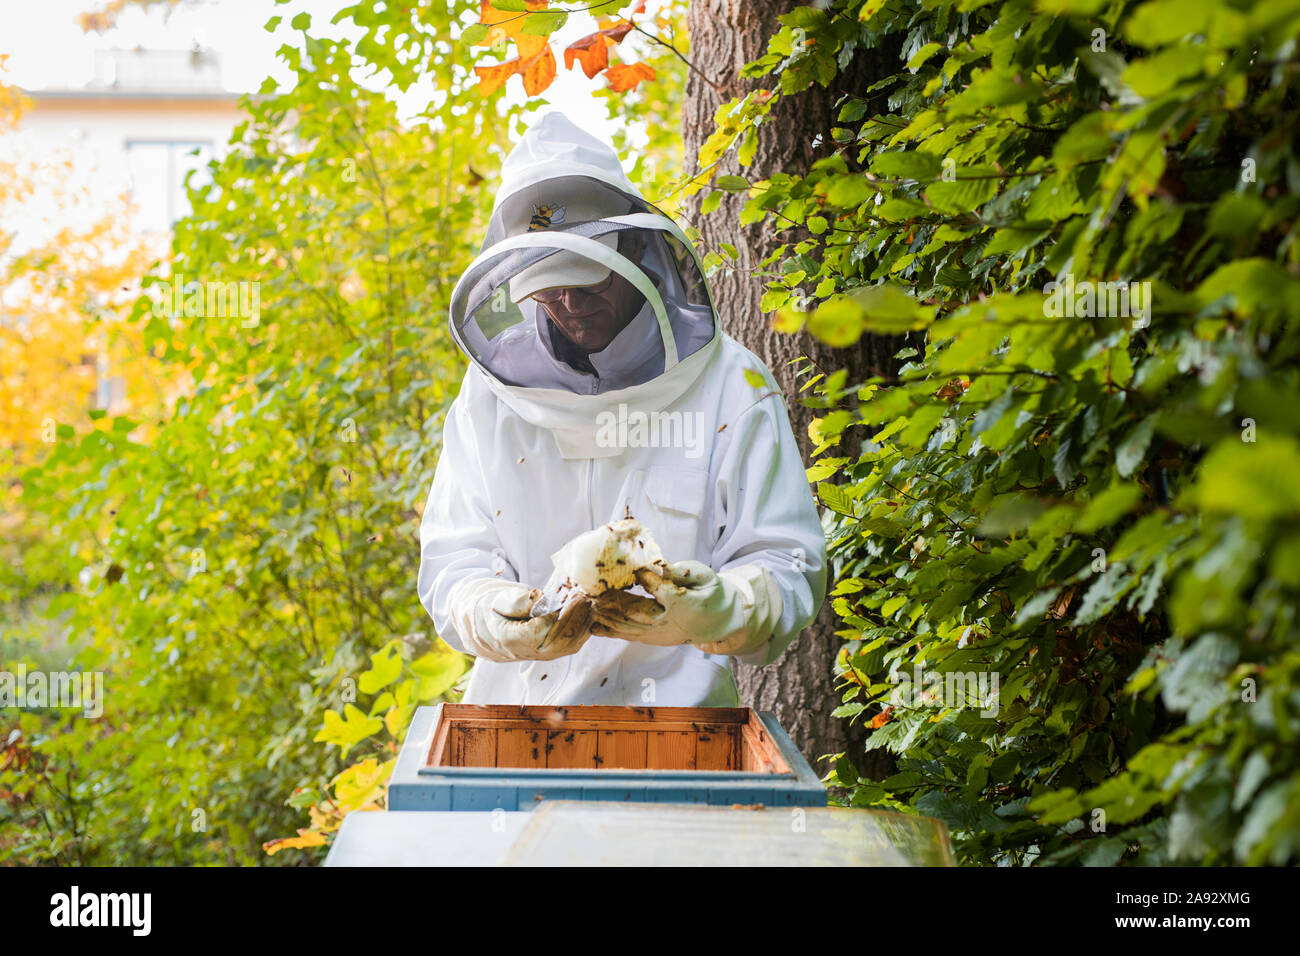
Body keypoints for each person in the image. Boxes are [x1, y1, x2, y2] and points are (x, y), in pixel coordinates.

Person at [417, 111, 827, 706]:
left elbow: (788, 564)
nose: (568, 304)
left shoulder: (730, 383)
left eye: (588, 284)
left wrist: (723, 607)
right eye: (548, 289)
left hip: (680, 739)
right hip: (518, 726)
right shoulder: (489, 398)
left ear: (635, 251)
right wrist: (485, 610)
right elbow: (453, 560)